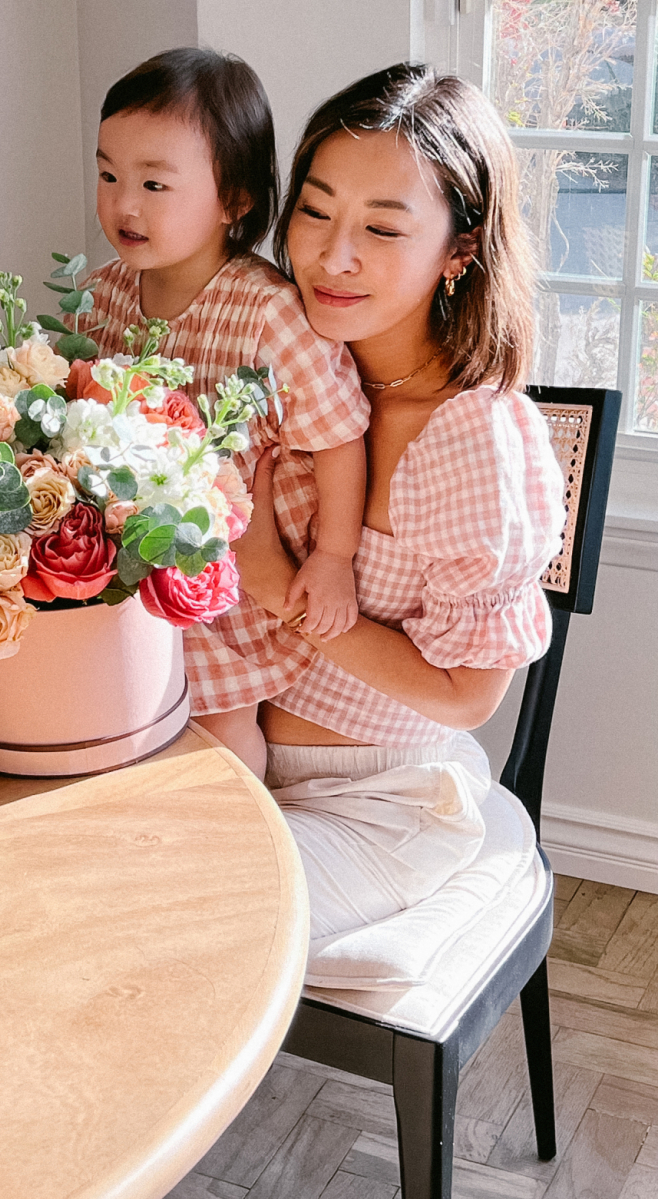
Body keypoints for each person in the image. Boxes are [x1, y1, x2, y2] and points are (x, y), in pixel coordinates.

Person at [230, 62, 566, 952]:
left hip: (383, 804)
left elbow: (467, 697)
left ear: (460, 250)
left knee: (163, 923)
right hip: (234, 761)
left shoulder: (472, 439)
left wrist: (282, 592)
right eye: (314, 210)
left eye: (382, 228)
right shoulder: (285, 369)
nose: (333, 257)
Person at [79, 47, 369, 778]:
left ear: (234, 198)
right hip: (133, 550)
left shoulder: (267, 312)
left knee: (215, 714)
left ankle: (244, 848)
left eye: (154, 183)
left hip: (229, 571)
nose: (123, 204)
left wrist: (333, 559)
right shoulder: (104, 292)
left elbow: (338, 435)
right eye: (108, 174)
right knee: (119, 711)